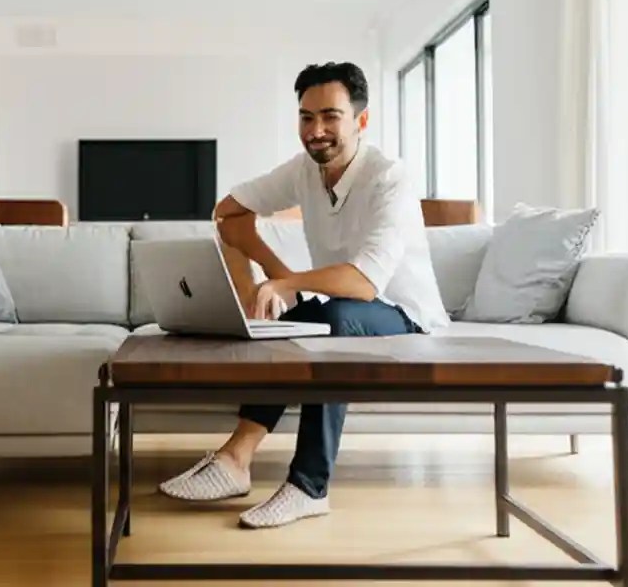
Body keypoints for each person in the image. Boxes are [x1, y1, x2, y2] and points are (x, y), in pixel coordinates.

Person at [157, 61, 449, 529]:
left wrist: (285, 284)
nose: (317, 130)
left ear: (361, 120)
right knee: (296, 321)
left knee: (327, 321)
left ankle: (310, 487)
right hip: (340, 308)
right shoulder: (302, 171)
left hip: (404, 315)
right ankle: (236, 459)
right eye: (306, 117)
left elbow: (365, 283)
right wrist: (262, 281)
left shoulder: (388, 178)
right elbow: (228, 213)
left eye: (330, 116)